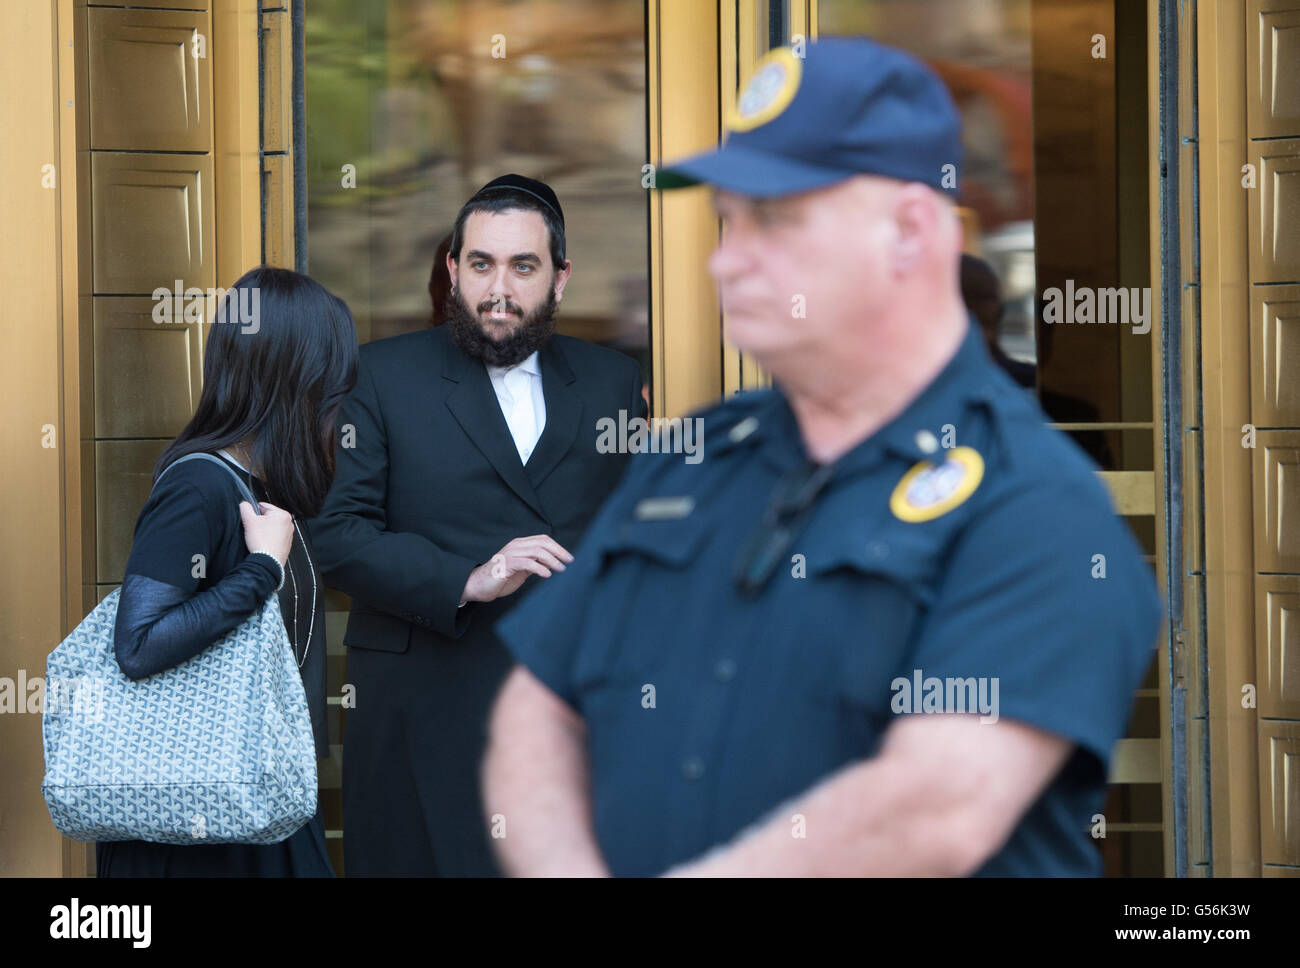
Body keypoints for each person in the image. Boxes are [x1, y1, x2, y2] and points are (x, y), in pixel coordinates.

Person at [483, 38, 1164, 876]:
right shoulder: (693, 460)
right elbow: (537, 705)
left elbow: (935, 809)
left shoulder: (1038, 507)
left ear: (910, 232)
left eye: (774, 219)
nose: (726, 259)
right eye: (727, 219)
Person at [308, 174, 647, 876]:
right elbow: (335, 536)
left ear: (560, 279)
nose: (499, 289)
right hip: (419, 710)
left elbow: (631, 538)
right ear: (453, 269)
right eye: (482, 264)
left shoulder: (613, 382)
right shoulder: (380, 375)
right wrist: (467, 578)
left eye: (523, 266)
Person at [99, 266, 358, 877]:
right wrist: (262, 567)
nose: (340, 409)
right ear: (296, 382)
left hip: (262, 798)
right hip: (201, 823)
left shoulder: (264, 489)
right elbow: (138, 644)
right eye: (332, 387)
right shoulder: (198, 486)